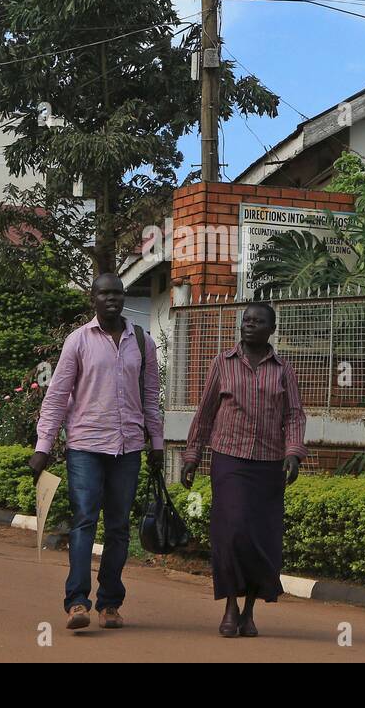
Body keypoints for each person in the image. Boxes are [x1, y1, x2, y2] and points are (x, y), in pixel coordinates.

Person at [31, 273, 163, 631]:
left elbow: (151, 396)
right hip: (85, 446)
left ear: (124, 298)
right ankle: (77, 602)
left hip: (129, 447)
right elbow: (57, 395)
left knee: (119, 527)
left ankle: (110, 604)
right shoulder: (79, 341)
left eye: (117, 294)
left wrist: (157, 443)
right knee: (85, 520)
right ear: (93, 299)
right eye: (104, 294)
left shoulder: (142, 341)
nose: (112, 300)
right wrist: (43, 446)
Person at [180, 302, 306, 637]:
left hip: (268, 465)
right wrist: (192, 455)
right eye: (246, 320)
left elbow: (294, 414)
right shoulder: (223, 362)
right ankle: (230, 606)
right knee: (232, 531)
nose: (249, 325)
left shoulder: (283, 369)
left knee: (260, 539)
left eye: (258, 321)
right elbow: (205, 413)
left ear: (271, 329)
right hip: (229, 459)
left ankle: (249, 611)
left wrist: (293, 453)